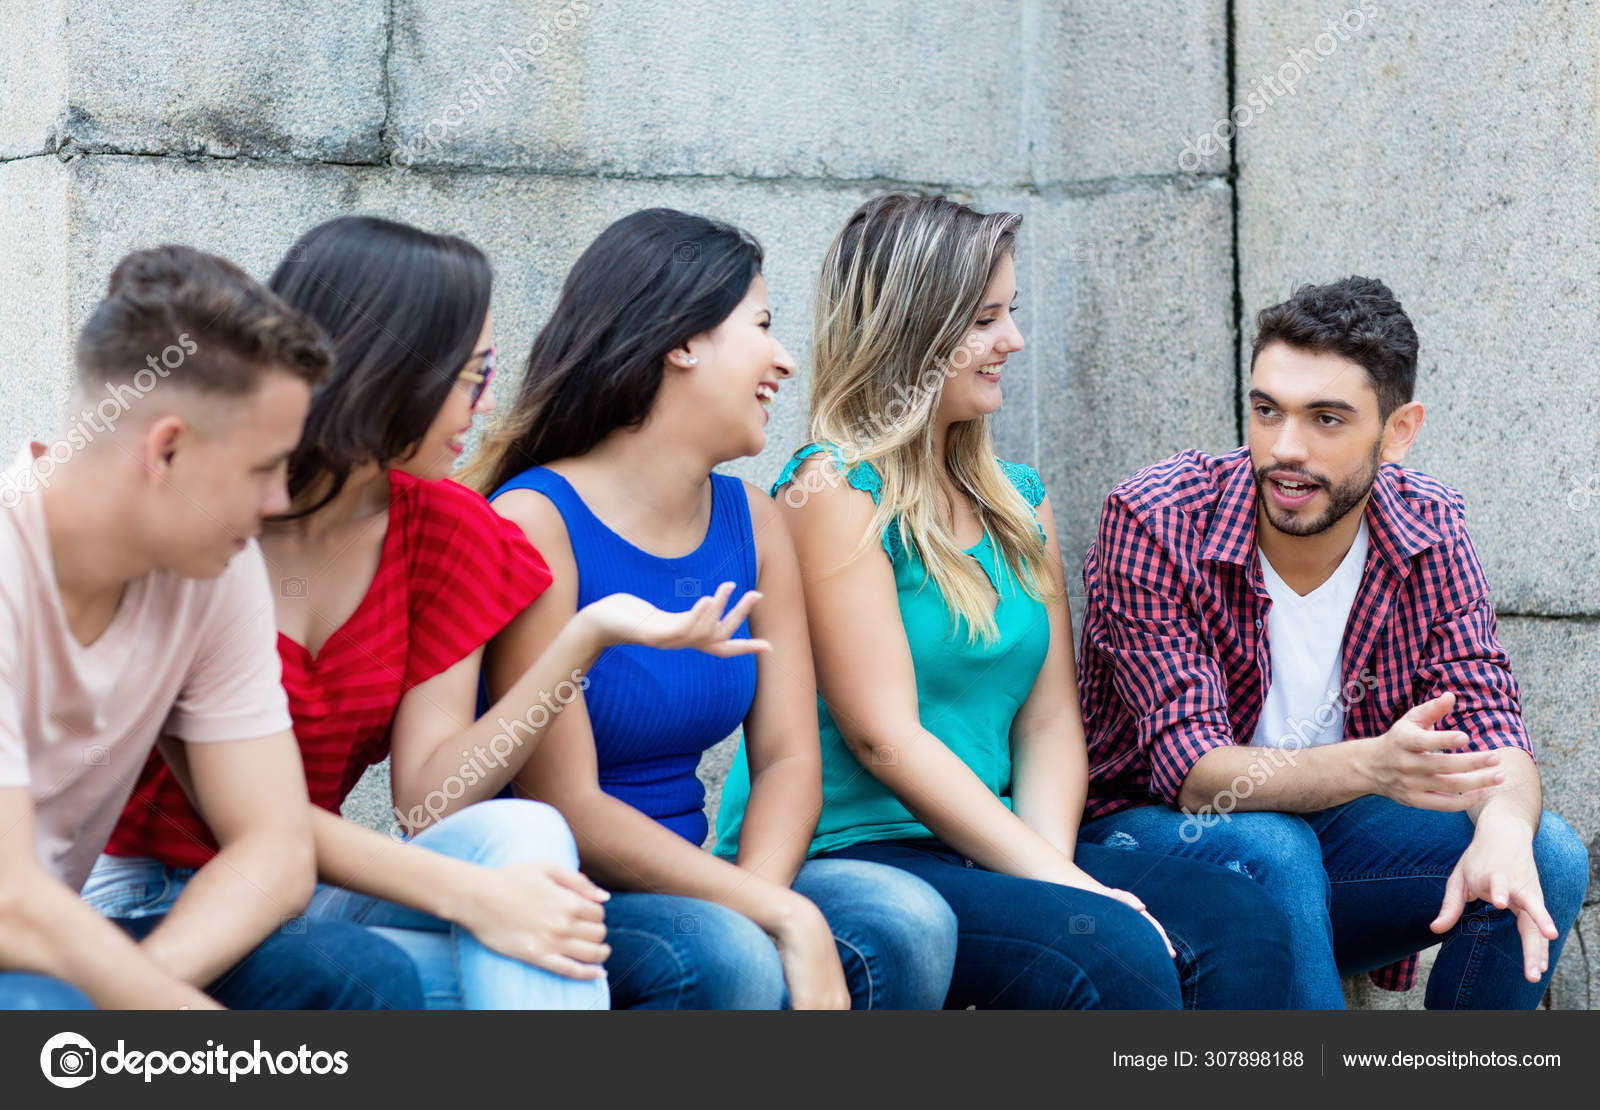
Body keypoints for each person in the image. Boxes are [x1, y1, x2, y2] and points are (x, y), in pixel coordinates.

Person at [90, 217, 763, 1010]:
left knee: (525, 843)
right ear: (394, 373)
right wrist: (478, 901)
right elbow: (257, 817)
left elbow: (428, 800)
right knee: (450, 970)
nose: (482, 407)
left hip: (305, 884)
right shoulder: (203, 530)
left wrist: (583, 640)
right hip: (147, 890)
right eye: (470, 377)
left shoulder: (443, 531)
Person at [715, 192, 1294, 1009]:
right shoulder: (830, 487)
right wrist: (1052, 886)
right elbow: (884, 739)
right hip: (863, 851)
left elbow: (1051, 720)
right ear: (913, 335)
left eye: (1009, 313)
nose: (1012, 340)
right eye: (986, 320)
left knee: (1238, 917)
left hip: (996, 842)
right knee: (1111, 958)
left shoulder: (1019, 499)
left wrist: (1050, 871)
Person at [463, 207, 957, 1010]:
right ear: (682, 340)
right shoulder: (535, 521)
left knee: (908, 921)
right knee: (726, 956)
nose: (786, 360)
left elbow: (791, 760)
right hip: (566, 895)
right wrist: (765, 913)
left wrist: (759, 897)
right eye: (762, 325)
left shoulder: (754, 521)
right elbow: (570, 804)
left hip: (706, 878)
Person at [1076, 276, 1590, 1009]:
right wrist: (1373, 766)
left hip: (1318, 858)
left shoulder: (1427, 526)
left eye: (1326, 419)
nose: (1285, 449)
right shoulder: (1157, 519)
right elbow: (1193, 774)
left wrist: (1504, 827)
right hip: (1149, 855)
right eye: (1266, 411)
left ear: (1398, 431)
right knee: (1273, 849)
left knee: (1547, 855)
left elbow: (1490, 721)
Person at [0, 245, 422, 1009]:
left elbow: (276, 849)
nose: (276, 503)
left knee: (357, 973)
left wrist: (144, 992)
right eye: (264, 468)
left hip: (58, 949)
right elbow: (9, 899)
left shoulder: (215, 571)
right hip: (21, 936)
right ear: (166, 450)